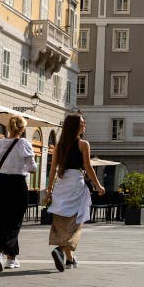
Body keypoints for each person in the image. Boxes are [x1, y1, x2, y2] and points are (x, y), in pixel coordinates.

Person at [45, 115, 104, 272]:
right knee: (77, 221)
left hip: (61, 184)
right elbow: (88, 167)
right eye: (82, 122)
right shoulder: (83, 144)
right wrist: (98, 185)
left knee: (61, 220)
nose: (85, 124)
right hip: (76, 182)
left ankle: (69, 259)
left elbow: (53, 170)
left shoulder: (59, 145)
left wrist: (49, 189)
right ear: (76, 126)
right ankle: (61, 250)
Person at [0, 116, 37, 271]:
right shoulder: (24, 144)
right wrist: (24, 166)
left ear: (8, 127)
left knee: (3, 219)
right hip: (17, 184)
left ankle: (11, 259)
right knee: (15, 220)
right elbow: (32, 168)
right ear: (22, 129)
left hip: (1, 183)